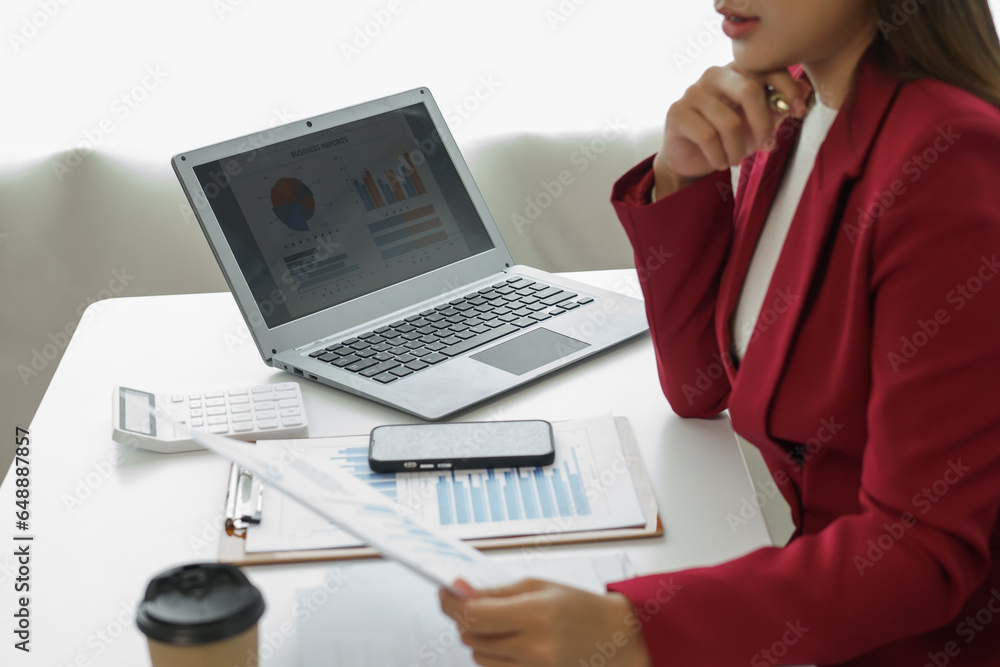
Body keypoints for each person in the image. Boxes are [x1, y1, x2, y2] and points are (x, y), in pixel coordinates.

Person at [440, 0, 1000, 665]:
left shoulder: (946, 156)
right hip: (819, 609)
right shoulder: (793, 106)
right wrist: (683, 173)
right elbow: (699, 384)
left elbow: (920, 548)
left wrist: (636, 628)